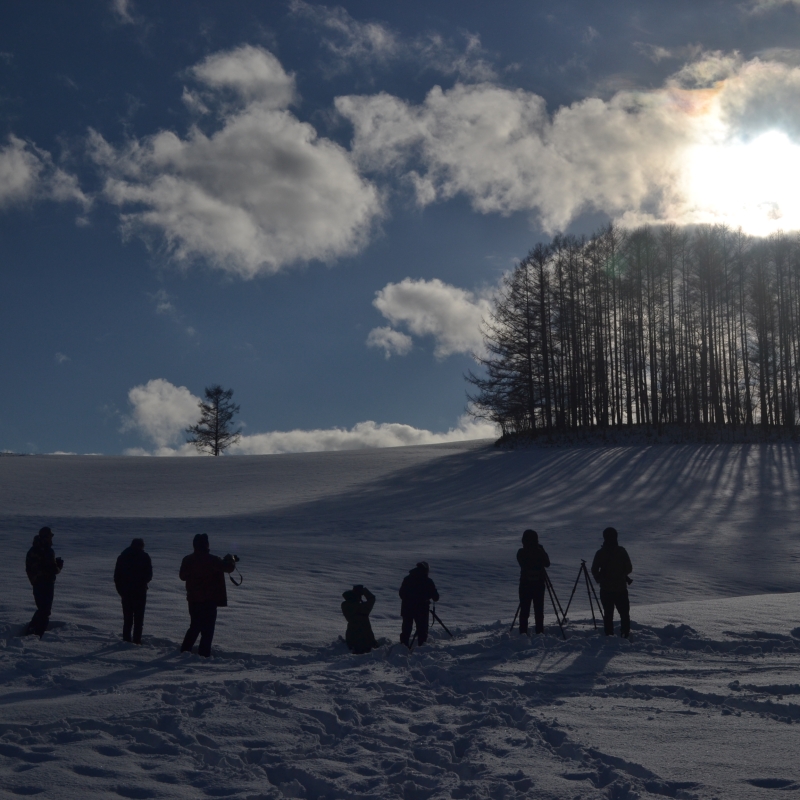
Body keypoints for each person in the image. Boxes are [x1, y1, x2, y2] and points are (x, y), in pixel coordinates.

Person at [179, 534, 236, 657]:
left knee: (194, 626)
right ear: (207, 545)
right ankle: (203, 655)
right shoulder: (212, 560)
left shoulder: (187, 559)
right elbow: (229, 568)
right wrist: (231, 559)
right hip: (209, 600)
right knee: (208, 630)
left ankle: (184, 651)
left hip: (193, 599)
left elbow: (182, 576)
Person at [591, 527, 633, 637]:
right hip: (620, 589)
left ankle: (609, 635)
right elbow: (629, 568)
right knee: (624, 614)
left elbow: (594, 570)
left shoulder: (600, 553)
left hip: (606, 589)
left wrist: (601, 578)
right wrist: (621, 573)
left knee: (608, 614)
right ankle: (625, 634)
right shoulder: (621, 551)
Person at [25, 526, 63, 638]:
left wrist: (34, 580)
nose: (51, 539)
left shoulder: (32, 550)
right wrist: (59, 566)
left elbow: (29, 568)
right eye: (50, 537)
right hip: (46, 584)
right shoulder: (47, 551)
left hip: (36, 583)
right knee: (45, 610)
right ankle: (38, 633)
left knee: (42, 608)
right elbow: (52, 569)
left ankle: (32, 628)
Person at [114, 538, 153, 644]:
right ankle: (136, 641)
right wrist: (142, 582)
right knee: (139, 620)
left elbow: (117, 577)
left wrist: (121, 590)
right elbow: (149, 575)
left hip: (126, 592)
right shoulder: (144, 557)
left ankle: (126, 640)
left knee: (127, 619)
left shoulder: (122, 557)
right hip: (140, 592)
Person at [516, 529, 551, 635]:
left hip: (525, 585)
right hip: (538, 585)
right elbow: (547, 563)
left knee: (524, 611)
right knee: (539, 611)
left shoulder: (521, 552)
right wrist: (540, 550)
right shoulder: (539, 551)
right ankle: (539, 632)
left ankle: (523, 633)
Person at [399, 561, 439, 647]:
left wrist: (409, 600)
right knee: (422, 631)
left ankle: (402, 648)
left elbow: (401, 594)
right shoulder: (428, 581)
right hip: (421, 610)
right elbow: (436, 597)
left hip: (407, 608)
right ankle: (421, 649)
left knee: (406, 630)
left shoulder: (407, 579)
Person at [341, 585, 379, 654]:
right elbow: (372, 599)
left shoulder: (345, 605)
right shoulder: (361, 607)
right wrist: (364, 591)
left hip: (351, 635)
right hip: (365, 637)